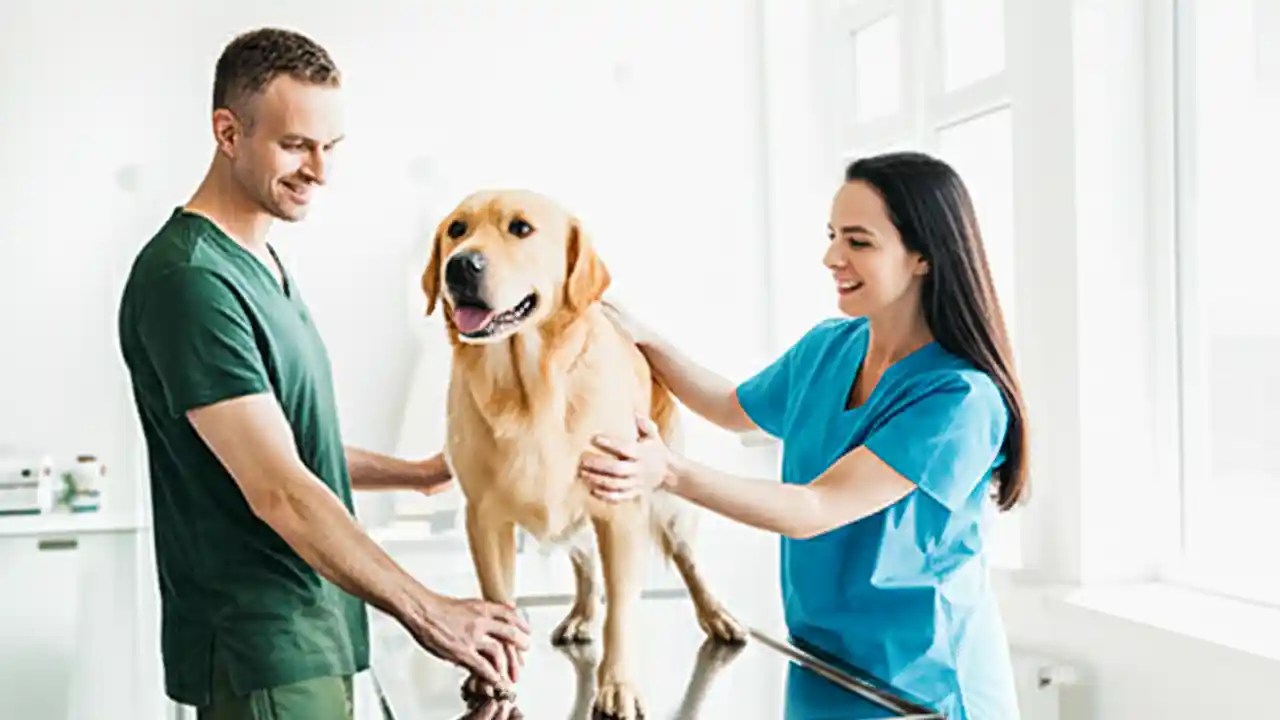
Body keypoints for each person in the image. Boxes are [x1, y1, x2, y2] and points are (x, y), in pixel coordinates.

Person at [117, 27, 529, 720]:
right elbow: (278, 489)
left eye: (331, 147)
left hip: (315, 633)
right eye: (296, 145)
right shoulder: (191, 280)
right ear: (227, 131)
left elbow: (285, 448)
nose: (321, 171)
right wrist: (431, 613)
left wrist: (417, 474)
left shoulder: (262, 265)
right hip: (261, 651)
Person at [579, 151, 1027, 719]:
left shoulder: (959, 400)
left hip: (921, 689)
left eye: (858, 242)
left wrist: (667, 470)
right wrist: (645, 342)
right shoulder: (830, 348)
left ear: (922, 256)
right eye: (833, 235)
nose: (831, 257)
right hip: (822, 663)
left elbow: (815, 507)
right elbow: (730, 406)